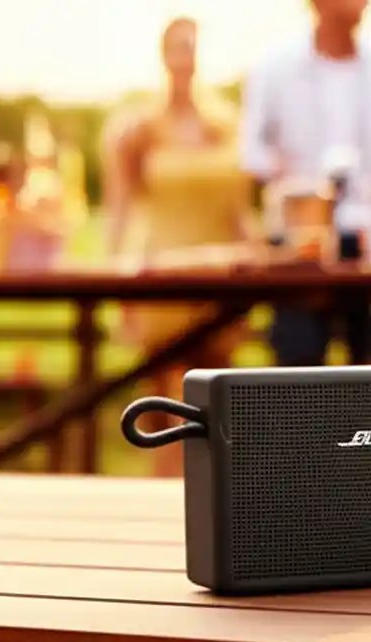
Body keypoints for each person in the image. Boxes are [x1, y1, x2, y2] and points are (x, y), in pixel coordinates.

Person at [101, 17, 254, 477]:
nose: (186, 55)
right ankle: (165, 499)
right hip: (162, 275)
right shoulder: (137, 129)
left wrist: (259, 265)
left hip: (220, 275)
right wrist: (120, 284)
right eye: (177, 46)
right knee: (169, 407)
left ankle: (211, 503)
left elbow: (240, 211)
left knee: (215, 406)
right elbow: (119, 212)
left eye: (192, 45)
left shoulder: (226, 124)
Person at [239, 0, 371, 367]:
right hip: (300, 249)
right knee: (299, 367)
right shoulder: (275, 68)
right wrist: (295, 185)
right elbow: (251, 152)